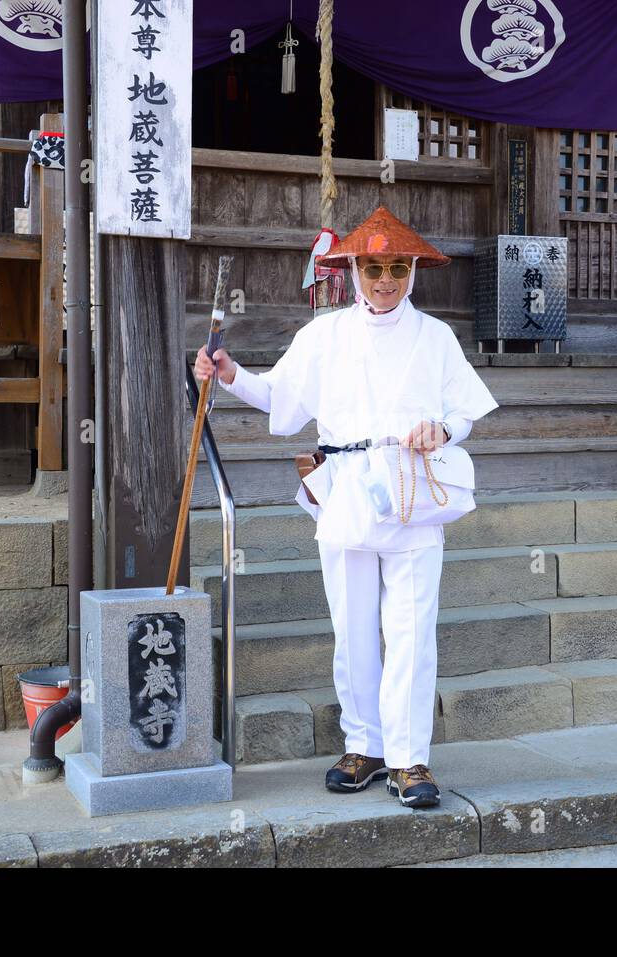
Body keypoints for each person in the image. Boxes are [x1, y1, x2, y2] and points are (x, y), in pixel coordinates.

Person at [194, 206, 498, 808]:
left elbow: (465, 410)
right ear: (353, 269)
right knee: (352, 627)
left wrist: (443, 429)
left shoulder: (436, 337)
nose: (385, 280)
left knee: (411, 631)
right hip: (347, 487)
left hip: (411, 488)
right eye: (373, 267)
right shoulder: (323, 335)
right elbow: (281, 397)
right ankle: (364, 744)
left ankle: (410, 759)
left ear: (412, 270)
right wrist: (230, 374)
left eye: (397, 268)